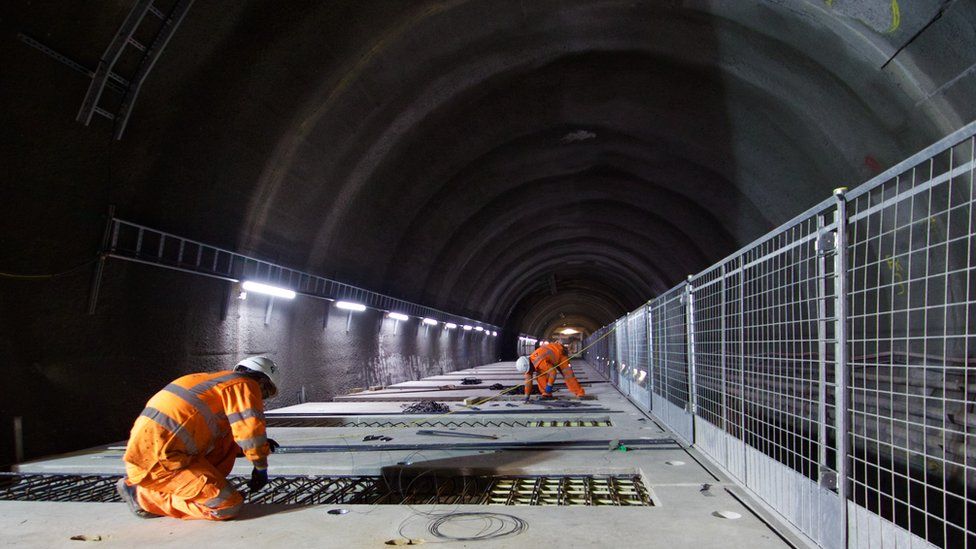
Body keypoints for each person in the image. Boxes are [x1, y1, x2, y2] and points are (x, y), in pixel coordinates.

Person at [116, 356, 282, 520]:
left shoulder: (215, 382)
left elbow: (225, 432)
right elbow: (250, 432)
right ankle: (141, 496)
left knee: (228, 441)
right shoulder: (246, 385)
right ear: (261, 382)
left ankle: (199, 488)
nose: (262, 400)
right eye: (266, 394)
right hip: (160, 462)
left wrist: (248, 448)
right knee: (227, 505)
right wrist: (261, 467)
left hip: (156, 451)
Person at [515, 341, 585, 399]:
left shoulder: (540, 362)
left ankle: (580, 393)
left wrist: (549, 386)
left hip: (560, 354)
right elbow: (528, 381)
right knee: (540, 377)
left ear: (529, 366)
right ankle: (546, 394)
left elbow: (553, 373)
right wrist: (527, 396)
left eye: (529, 371)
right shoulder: (528, 365)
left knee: (568, 375)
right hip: (550, 359)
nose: (529, 373)